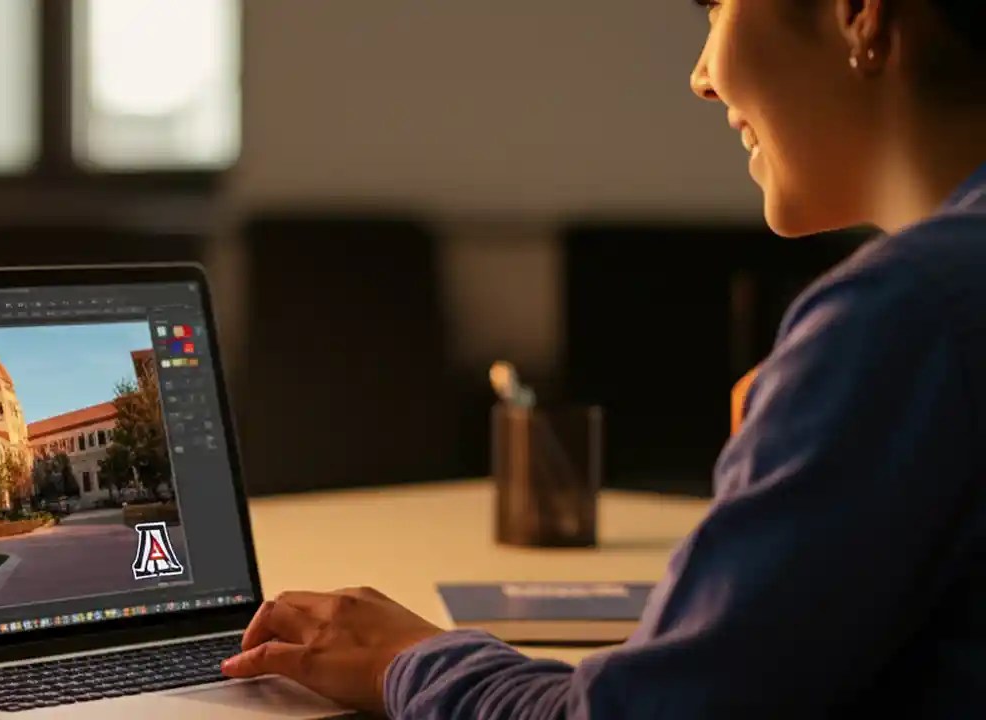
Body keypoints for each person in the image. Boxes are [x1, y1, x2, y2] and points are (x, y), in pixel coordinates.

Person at [221, 0, 986, 716]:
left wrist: (409, 659)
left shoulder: (908, 312)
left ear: (860, 15)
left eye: (716, 8)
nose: (701, 77)